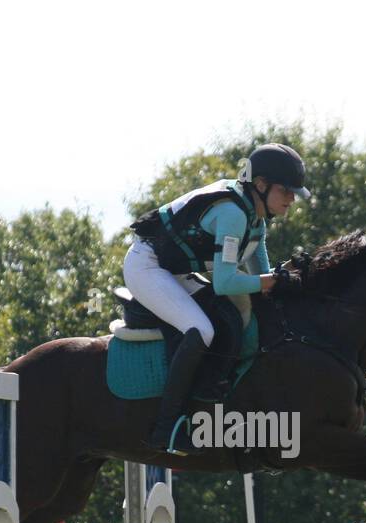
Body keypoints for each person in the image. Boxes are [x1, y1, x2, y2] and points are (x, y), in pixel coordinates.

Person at [125, 143, 310, 455]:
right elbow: (225, 283)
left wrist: (286, 279)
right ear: (260, 185)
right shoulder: (233, 215)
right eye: (285, 191)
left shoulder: (255, 219)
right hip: (146, 266)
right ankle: (165, 429)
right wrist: (271, 281)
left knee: (226, 316)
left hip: (173, 270)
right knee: (202, 329)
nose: (291, 199)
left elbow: (261, 278)